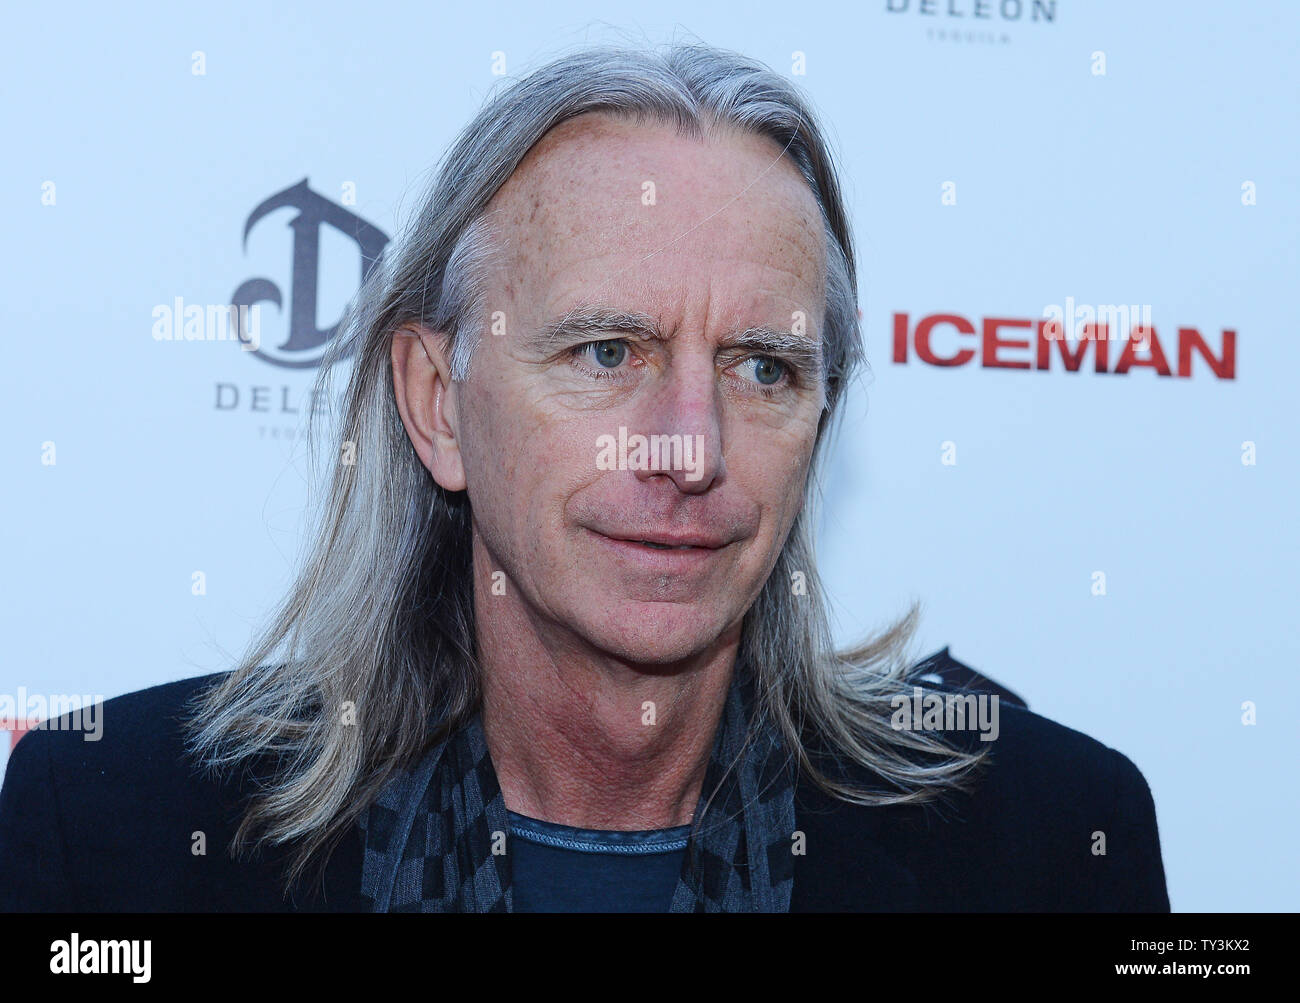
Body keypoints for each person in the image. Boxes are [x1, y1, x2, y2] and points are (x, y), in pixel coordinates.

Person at [0, 42, 1169, 913]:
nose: (690, 449)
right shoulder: (117, 831)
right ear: (434, 400)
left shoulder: (1049, 841)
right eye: (608, 353)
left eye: (763, 367)